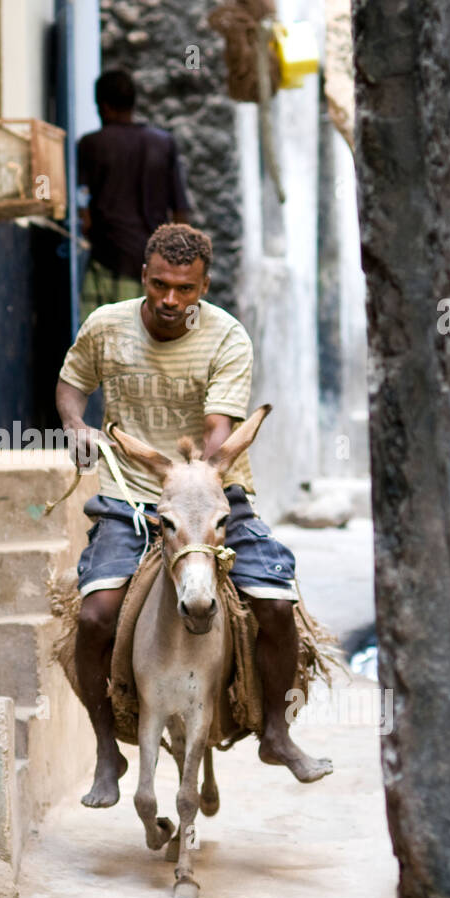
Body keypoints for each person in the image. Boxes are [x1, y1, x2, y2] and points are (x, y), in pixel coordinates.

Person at [55, 222, 333, 808]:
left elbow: (217, 433)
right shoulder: (106, 325)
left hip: (212, 491)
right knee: (95, 617)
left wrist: (192, 495)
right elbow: (71, 383)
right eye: (159, 284)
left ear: (203, 286)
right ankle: (108, 749)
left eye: (184, 288)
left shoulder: (228, 338)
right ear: (144, 278)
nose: (169, 299)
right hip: (129, 496)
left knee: (277, 606)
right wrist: (75, 425)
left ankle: (277, 734)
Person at [77, 69, 193, 318]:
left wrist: (86, 222)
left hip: (106, 263)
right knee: (141, 345)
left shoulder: (91, 144)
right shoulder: (164, 144)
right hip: (153, 268)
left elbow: (82, 205)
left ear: (103, 107)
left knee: (96, 344)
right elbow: (181, 211)